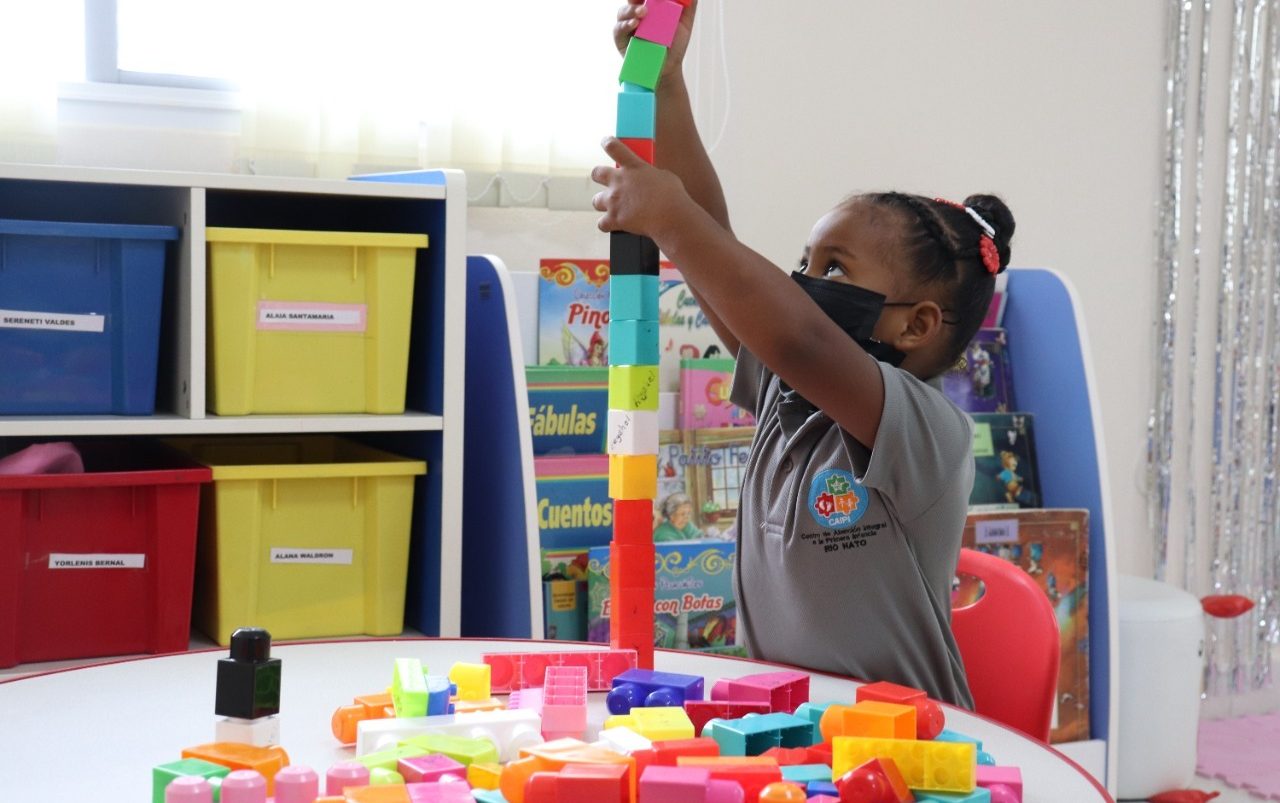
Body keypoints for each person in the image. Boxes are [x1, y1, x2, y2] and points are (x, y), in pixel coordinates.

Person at [591, 1, 1017, 707]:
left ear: (916, 327)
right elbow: (722, 252)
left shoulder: (923, 429)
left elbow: (803, 336)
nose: (806, 281)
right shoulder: (789, 393)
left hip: (911, 743)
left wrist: (667, 217)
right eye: (804, 260)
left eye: (837, 268)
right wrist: (667, 83)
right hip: (795, 736)